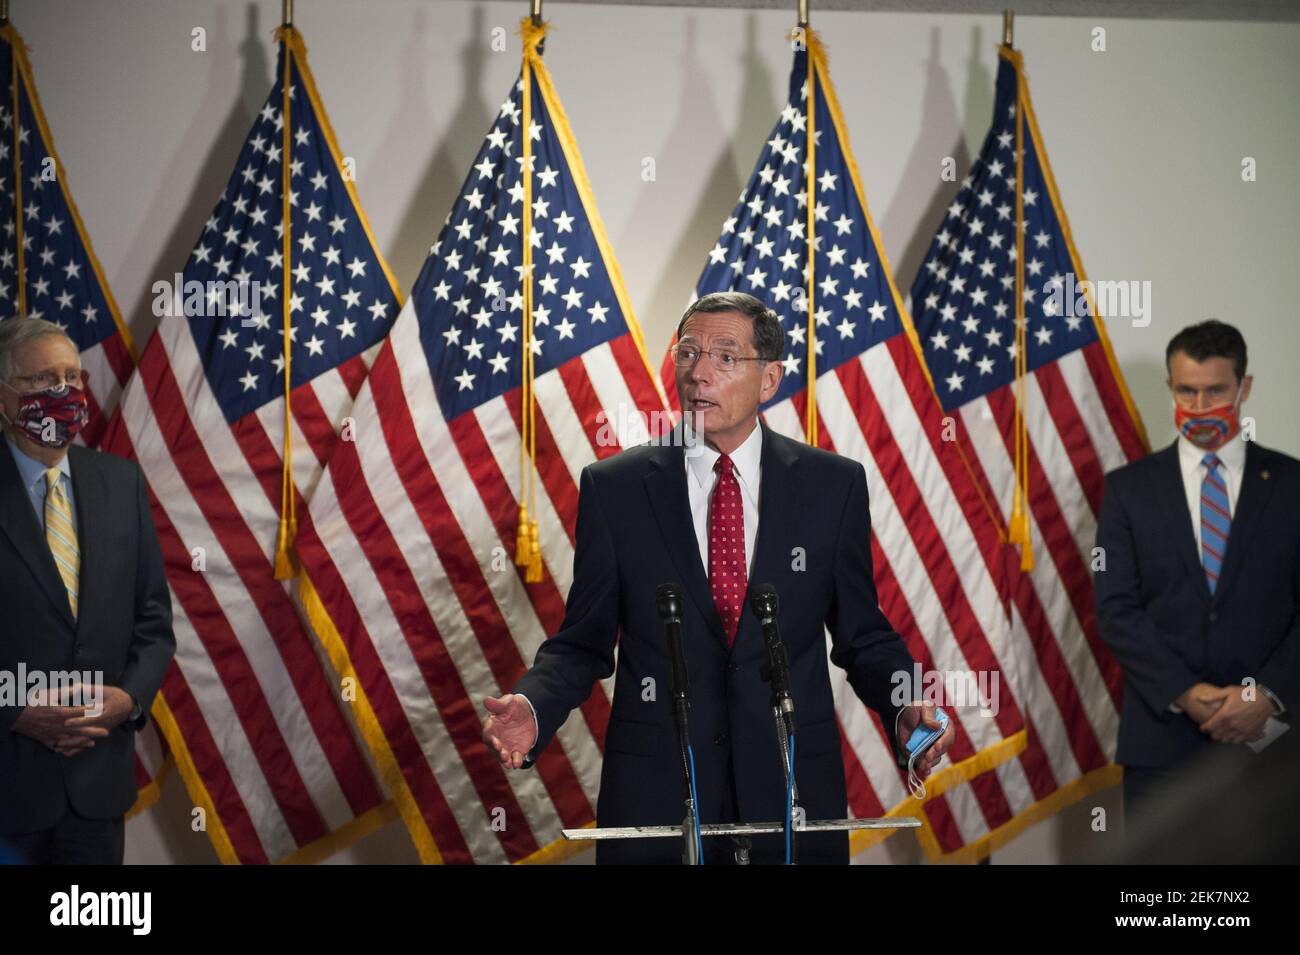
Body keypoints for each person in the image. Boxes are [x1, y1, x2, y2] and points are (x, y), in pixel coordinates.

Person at [481, 291, 953, 863]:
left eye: (725, 357)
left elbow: (863, 636)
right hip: (659, 799)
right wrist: (532, 708)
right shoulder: (617, 489)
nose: (699, 373)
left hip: (790, 796)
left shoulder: (833, 486)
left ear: (770, 378)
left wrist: (906, 706)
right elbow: (582, 645)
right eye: (687, 353)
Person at [1094, 319, 1297, 831]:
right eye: (1187, 390)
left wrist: (1265, 694)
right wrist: (1188, 692)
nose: (1201, 407)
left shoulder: (1294, 485)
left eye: (1216, 391)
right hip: (1161, 741)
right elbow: (1115, 608)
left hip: (1271, 744)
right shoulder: (1127, 490)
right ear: (1170, 387)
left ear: (1244, 387)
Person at [0, 317, 175, 864]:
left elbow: (153, 622)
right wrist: (12, 710)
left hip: (97, 791)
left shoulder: (120, 483)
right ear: (4, 397)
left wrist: (127, 699)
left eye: (72, 377)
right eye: (42, 380)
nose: (63, 393)